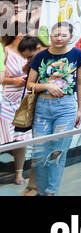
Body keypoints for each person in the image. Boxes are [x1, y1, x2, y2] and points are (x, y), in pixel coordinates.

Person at [25, 21, 81, 196]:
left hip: (66, 108)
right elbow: (29, 84)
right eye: (56, 34)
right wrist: (46, 86)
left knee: (57, 152)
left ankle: (50, 191)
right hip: (42, 108)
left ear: (70, 37)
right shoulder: (40, 56)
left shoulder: (77, 55)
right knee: (39, 151)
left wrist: (80, 109)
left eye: (63, 35)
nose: (59, 38)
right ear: (50, 36)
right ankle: (41, 189)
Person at [1, 35, 40, 192]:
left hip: (23, 99)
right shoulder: (4, 51)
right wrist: (14, 81)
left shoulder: (30, 49)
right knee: (3, 136)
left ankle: (18, 172)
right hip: (6, 98)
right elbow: (1, 78)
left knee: (22, 138)